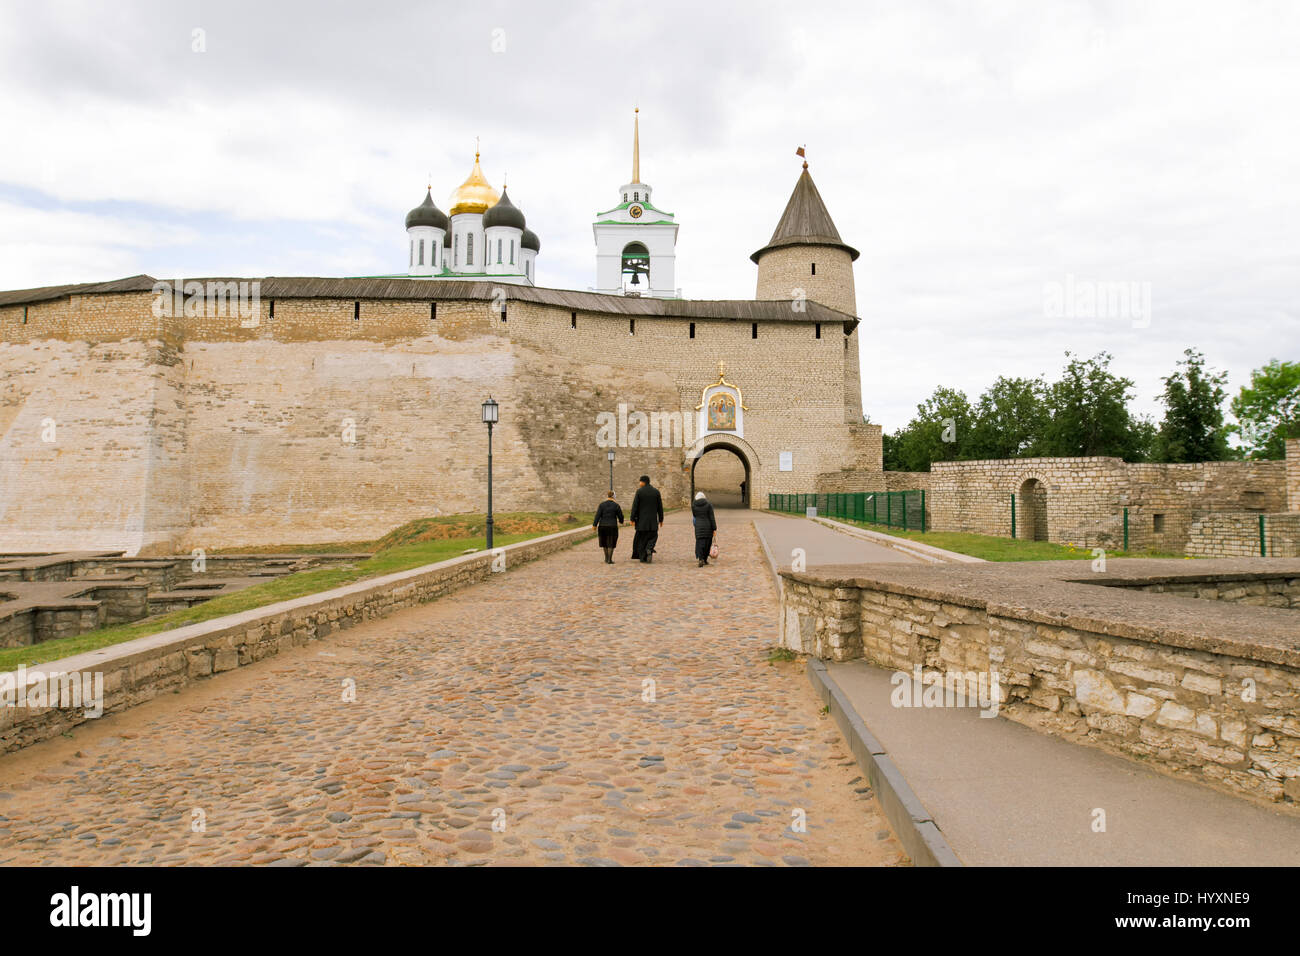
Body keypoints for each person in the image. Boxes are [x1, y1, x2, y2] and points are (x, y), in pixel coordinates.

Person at [629, 475, 664, 563]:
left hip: (641, 522)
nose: (639, 483)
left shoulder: (639, 492)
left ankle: (642, 557)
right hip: (652, 521)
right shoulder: (656, 492)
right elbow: (660, 507)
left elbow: (635, 506)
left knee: (641, 539)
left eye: (640, 481)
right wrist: (661, 519)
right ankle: (649, 548)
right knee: (653, 537)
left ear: (643, 482)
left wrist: (632, 518)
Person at [592, 490, 624, 564]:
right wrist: (621, 521)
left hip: (603, 525)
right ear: (614, 496)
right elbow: (620, 516)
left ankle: (606, 558)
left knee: (604, 542)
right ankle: (610, 559)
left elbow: (597, 515)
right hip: (612, 526)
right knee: (611, 542)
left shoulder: (602, 505)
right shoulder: (616, 505)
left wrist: (594, 525)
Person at [691, 491, 717, 567]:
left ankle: (700, 559)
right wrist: (714, 528)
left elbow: (695, 515)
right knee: (707, 543)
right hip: (708, 526)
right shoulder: (709, 505)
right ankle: (705, 559)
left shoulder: (693, 505)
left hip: (698, 526)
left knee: (699, 543)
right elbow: (712, 517)